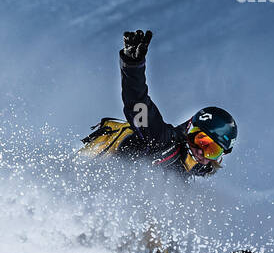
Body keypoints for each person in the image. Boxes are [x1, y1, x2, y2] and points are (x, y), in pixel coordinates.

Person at [78, 29, 237, 178]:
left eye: (213, 150)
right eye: (202, 140)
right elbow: (138, 105)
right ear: (190, 128)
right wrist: (133, 67)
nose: (202, 152)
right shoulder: (161, 141)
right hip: (85, 173)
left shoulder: (185, 170)